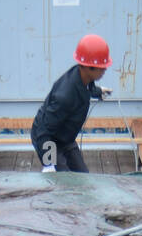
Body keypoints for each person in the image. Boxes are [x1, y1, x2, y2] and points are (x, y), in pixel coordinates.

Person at [31, 34, 114, 173]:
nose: (105, 70)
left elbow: (88, 88)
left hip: (65, 138)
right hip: (49, 140)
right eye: (101, 67)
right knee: (64, 182)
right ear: (88, 67)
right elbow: (44, 132)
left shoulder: (83, 77)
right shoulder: (64, 97)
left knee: (82, 177)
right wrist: (49, 164)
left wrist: (98, 92)